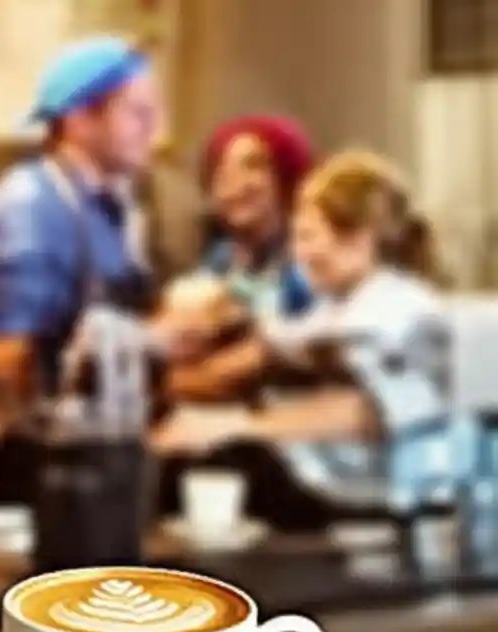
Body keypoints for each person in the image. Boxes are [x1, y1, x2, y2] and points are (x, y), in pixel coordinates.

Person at [154, 151, 457, 527]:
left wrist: (237, 425)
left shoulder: (401, 309)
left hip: (381, 503)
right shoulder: (338, 304)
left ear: (359, 241)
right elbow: (279, 347)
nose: (300, 254)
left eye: (309, 237)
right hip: (329, 485)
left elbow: (366, 413)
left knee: (220, 457)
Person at [0, 36, 161, 413]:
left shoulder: (113, 206)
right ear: (79, 121)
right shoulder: (30, 206)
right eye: (137, 114)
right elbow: (4, 357)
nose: (152, 129)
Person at [159, 116, 316, 402]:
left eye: (252, 165)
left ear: (285, 176)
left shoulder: (310, 258)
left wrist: (169, 383)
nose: (234, 182)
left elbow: (278, 354)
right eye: (220, 171)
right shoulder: (219, 260)